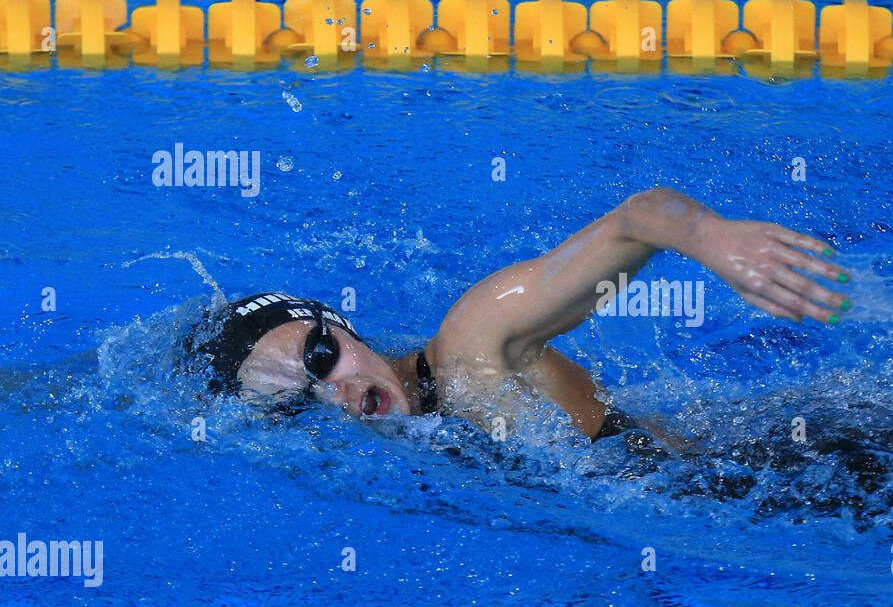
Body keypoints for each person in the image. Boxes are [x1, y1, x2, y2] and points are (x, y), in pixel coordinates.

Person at [189, 187, 852, 442]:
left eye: (320, 357)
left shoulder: (471, 344)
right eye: (299, 403)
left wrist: (714, 239)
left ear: (343, 328)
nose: (338, 393)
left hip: (805, 466)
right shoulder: (410, 446)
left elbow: (635, 220)